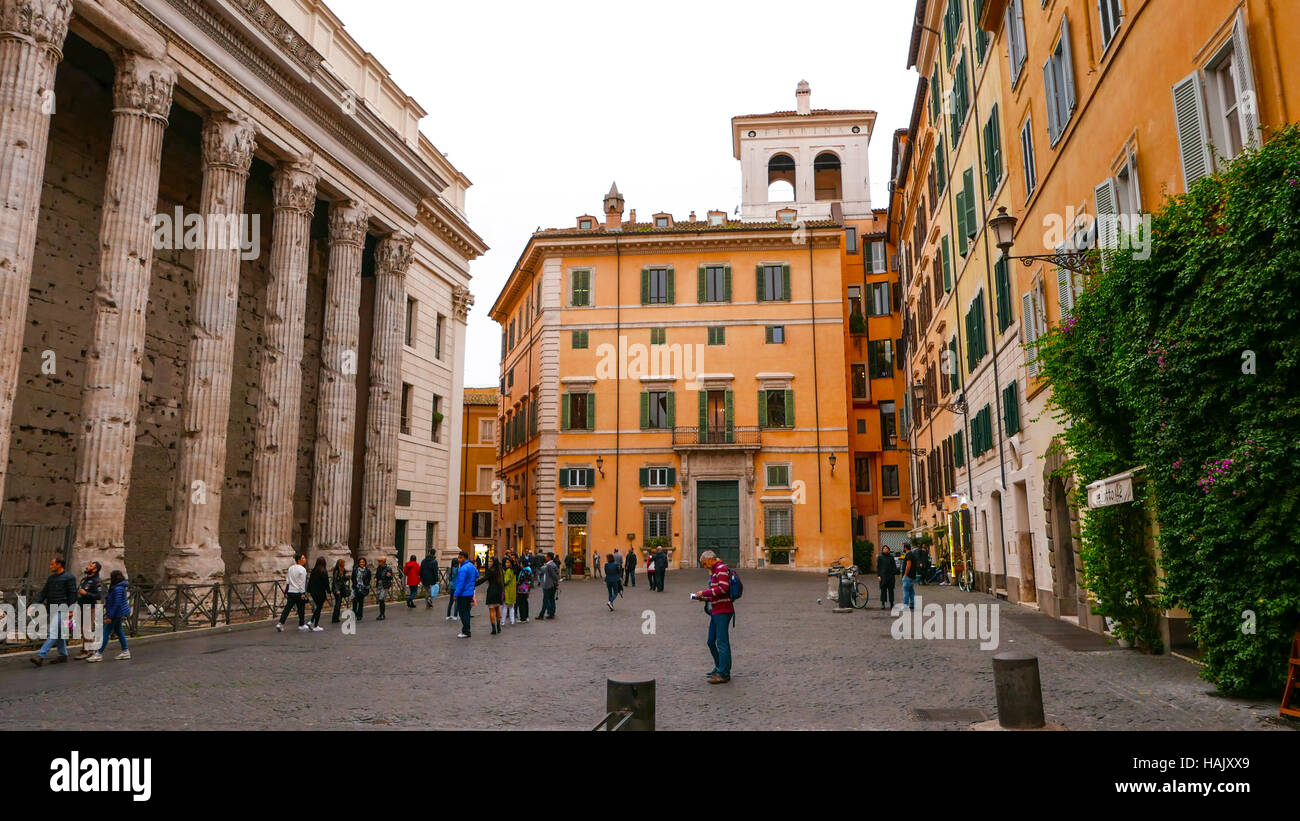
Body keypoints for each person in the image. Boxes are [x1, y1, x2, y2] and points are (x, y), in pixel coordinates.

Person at [691, 550, 735, 684]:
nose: (705, 566)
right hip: (716, 610)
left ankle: (724, 673)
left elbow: (723, 589)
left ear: (711, 559)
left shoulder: (721, 569)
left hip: (723, 610)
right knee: (711, 641)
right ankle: (719, 667)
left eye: (705, 563)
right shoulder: (716, 570)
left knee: (722, 643)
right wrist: (704, 598)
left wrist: (704, 592)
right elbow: (717, 592)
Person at [30, 557, 78, 667]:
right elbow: (44, 592)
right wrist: (35, 604)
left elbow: (72, 594)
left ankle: (41, 656)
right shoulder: (51, 578)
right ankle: (63, 655)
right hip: (52, 609)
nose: (50, 566)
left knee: (53, 632)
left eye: (52, 564)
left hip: (63, 609)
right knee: (59, 633)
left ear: (59, 565)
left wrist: (70, 610)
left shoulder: (69, 578)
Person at [85, 569, 131, 662]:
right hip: (118, 612)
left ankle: (99, 653)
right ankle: (125, 651)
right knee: (119, 631)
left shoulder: (118, 588)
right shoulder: (119, 587)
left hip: (116, 614)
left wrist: (110, 616)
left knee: (105, 633)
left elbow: (117, 604)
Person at [73, 561, 103, 660]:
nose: (87, 567)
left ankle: (86, 651)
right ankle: (90, 648)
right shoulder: (84, 579)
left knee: (86, 629)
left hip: (89, 607)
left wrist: (86, 594)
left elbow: (98, 596)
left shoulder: (97, 581)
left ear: (95, 570)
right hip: (81, 606)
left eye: (90, 566)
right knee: (83, 629)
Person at [276, 554, 309, 632]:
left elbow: (288, 581)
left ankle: (280, 623)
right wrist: (303, 593)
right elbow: (302, 582)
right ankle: (301, 625)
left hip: (291, 591)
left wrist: (287, 590)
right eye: (303, 558)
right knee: (301, 609)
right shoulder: (302, 569)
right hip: (298, 592)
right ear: (299, 560)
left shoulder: (291, 568)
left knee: (287, 608)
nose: (305, 559)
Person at [452, 550, 478, 637]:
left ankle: (466, 631)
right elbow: (477, 574)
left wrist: (456, 594)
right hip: (470, 592)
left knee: (463, 613)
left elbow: (460, 583)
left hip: (463, 594)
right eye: (458, 557)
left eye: (460, 558)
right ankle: (466, 630)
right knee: (466, 611)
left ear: (464, 558)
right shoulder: (471, 565)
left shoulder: (463, 569)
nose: (459, 559)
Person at [307, 557, 329, 631]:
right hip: (321, 592)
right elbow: (326, 583)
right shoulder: (323, 571)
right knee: (319, 608)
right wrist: (329, 591)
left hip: (314, 592)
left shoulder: (313, 571)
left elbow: (310, 581)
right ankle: (314, 624)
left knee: (318, 608)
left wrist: (308, 590)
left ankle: (312, 622)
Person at [485, 559, 504, 635]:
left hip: (491, 592)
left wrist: (474, 583)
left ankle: (493, 629)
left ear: (493, 562)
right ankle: (498, 627)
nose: (489, 562)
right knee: (497, 609)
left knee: (491, 610)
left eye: (491, 561)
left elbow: (484, 579)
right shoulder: (500, 570)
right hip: (498, 592)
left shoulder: (491, 570)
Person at [538, 552, 559, 620]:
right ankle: (551, 613)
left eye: (546, 556)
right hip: (552, 585)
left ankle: (541, 615)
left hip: (548, 585)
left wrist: (555, 582)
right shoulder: (552, 564)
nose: (545, 557)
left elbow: (554, 575)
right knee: (551, 599)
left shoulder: (549, 565)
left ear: (549, 557)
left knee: (545, 600)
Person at [876, 546, 897, 610]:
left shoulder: (891, 557)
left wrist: (893, 573)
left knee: (891, 590)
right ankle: (883, 604)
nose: (885, 550)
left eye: (887, 549)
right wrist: (878, 576)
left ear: (889, 550)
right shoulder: (880, 557)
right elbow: (878, 567)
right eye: (884, 549)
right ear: (882, 550)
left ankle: (891, 603)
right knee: (883, 591)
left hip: (890, 576)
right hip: (883, 576)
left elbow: (894, 566)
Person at [374, 556, 394, 620]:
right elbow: (376, 575)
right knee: (380, 600)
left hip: (385, 585)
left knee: (381, 598)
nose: (378, 562)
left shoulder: (388, 568)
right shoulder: (379, 568)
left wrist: (389, 575)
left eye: (379, 561)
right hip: (379, 585)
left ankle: (382, 614)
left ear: (383, 562)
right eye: (378, 561)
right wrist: (375, 578)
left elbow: (391, 577)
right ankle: (381, 614)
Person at [901, 541, 920, 611]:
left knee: (906, 591)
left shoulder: (908, 555)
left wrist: (905, 574)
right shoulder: (912, 554)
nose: (902, 548)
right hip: (912, 576)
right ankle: (912, 605)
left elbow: (908, 565)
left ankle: (905, 605)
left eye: (902, 546)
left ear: (905, 547)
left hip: (908, 577)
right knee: (911, 591)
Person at [330, 558, 350, 623]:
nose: (344, 564)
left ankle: (336, 617)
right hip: (337, 589)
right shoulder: (336, 571)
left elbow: (342, 579)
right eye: (343, 563)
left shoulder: (343, 570)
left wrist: (347, 577)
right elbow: (335, 581)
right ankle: (334, 618)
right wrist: (336, 590)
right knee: (338, 603)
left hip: (341, 588)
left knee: (338, 603)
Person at [502, 557, 518, 626]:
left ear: (511, 563)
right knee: (511, 607)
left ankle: (502, 621)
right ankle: (512, 621)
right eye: (506, 562)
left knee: (505, 606)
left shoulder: (508, 571)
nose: (506, 563)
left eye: (508, 562)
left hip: (507, 590)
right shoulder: (514, 571)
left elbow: (505, 581)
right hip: (513, 590)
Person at [445, 556, 461, 620]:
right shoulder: (458, 570)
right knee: (457, 601)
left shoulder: (451, 570)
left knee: (451, 601)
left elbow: (449, 578)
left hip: (451, 586)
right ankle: (455, 615)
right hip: (457, 587)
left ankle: (448, 615)